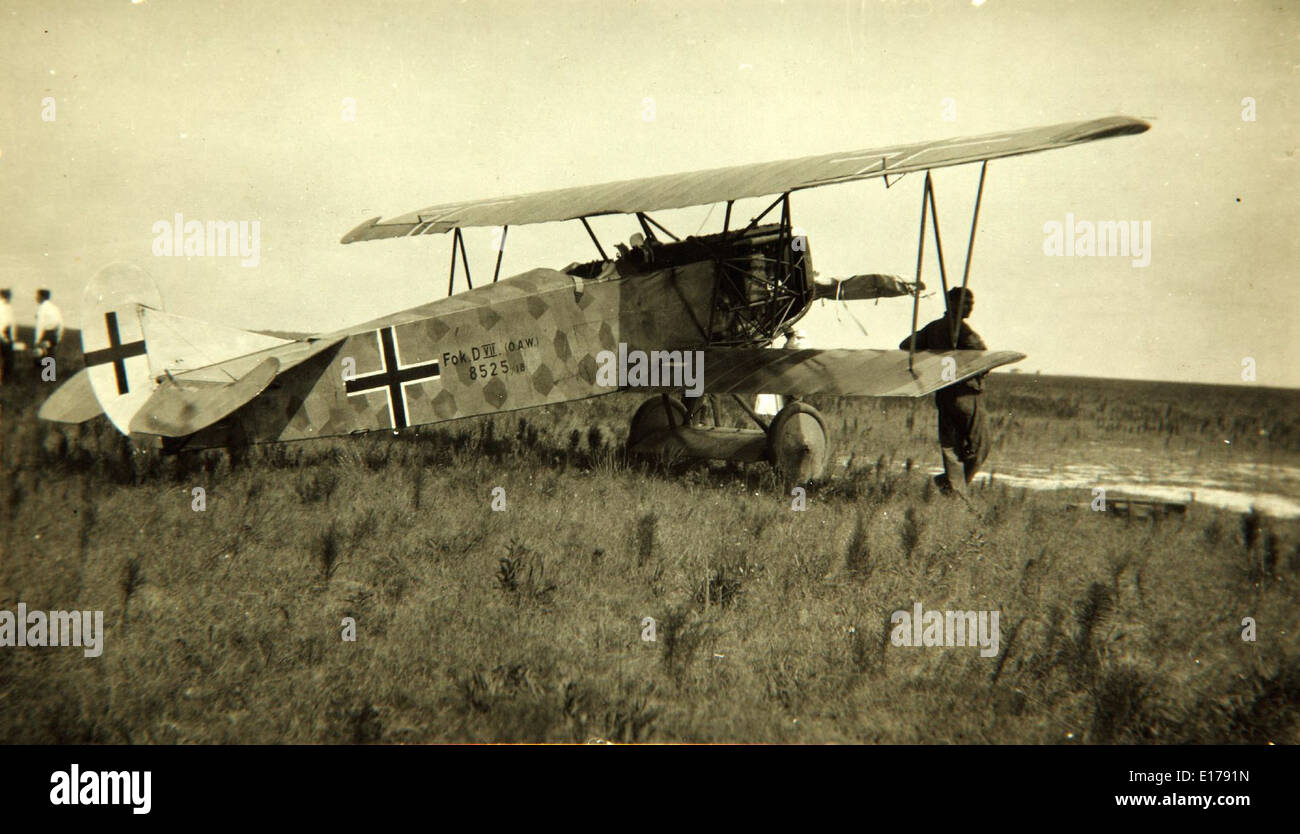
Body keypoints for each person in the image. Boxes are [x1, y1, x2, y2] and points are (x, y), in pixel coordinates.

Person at [899, 287, 989, 494]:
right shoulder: (961, 330)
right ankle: (953, 485)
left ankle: (953, 485)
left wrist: (932, 358)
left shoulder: (934, 327)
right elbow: (982, 354)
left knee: (951, 445)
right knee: (980, 444)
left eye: (971, 304)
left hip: (944, 391)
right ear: (952, 304)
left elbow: (906, 345)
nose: (970, 308)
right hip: (966, 393)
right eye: (965, 303)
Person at [754, 325, 809, 417]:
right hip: (798, 377)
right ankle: (791, 421)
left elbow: (786, 352)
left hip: (792, 377)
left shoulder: (793, 342)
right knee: (794, 402)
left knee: (791, 402)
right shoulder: (804, 343)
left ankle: (789, 421)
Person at [33, 288, 64, 363]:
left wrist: (37, 340)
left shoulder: (42, 308)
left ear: (41, 297)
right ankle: (51, 374)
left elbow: (40, 325)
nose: (36, 298)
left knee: (41, 358)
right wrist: (58, 337)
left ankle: (42, 374)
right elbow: (60, 324)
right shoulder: (55, 308)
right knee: (50, 357)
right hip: (53, 336)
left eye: (37, 296)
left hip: (45, 335)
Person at [0, 289, 14, 383]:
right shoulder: (2, 307)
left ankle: (5, 378)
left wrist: (12, 337)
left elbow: (11, 324)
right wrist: (3, 336)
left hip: (6, 334)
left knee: (7, 357)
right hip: (2, 334)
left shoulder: (8, 307)